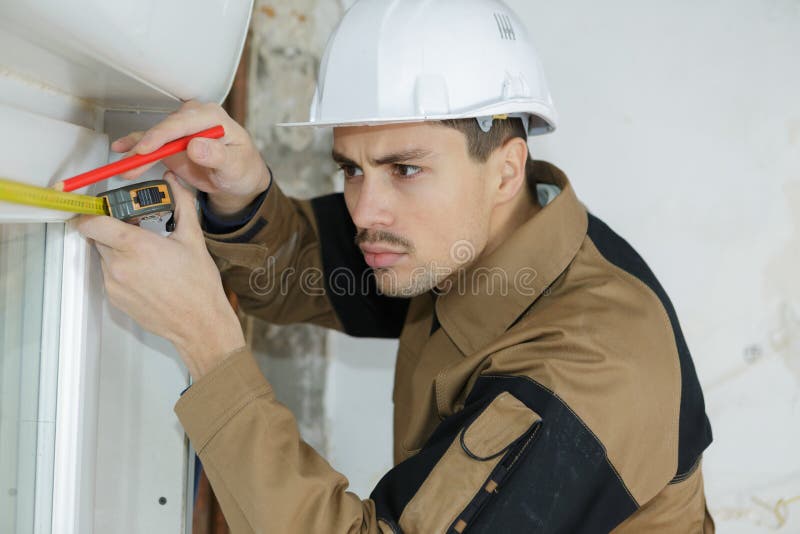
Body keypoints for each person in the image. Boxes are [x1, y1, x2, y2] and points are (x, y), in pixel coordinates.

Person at [77, 0, 714, 531]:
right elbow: (305, 268)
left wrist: (208, 347)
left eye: (404, 169)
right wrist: (241, 199)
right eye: (351, 168)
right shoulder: (476, 241)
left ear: (505, 170)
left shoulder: (583, 373)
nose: (364, 211)